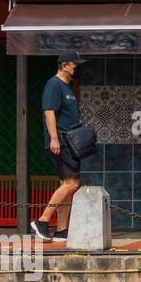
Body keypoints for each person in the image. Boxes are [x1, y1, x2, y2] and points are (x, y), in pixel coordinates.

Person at [34, 51, 87, 242]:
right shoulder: (54, 85)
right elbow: (49, 113)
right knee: (72, 184)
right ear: (64, 65)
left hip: (70, 143)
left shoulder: (67, 87)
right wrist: (54, 139)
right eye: (75, 65)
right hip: (61, 142)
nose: (77, 68)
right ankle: (42, 221)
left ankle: (62, 230)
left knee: (65, 185)